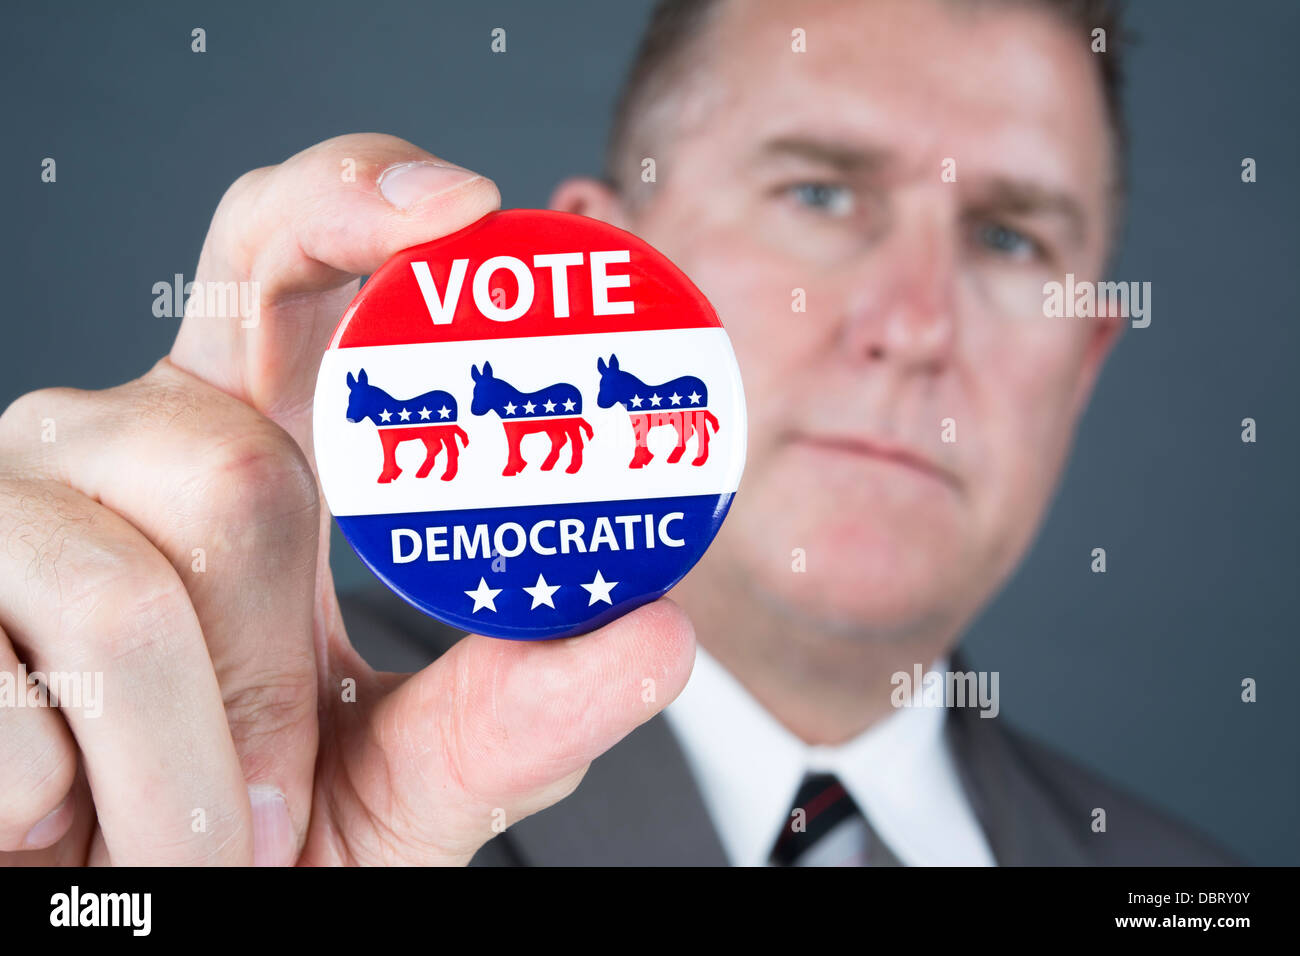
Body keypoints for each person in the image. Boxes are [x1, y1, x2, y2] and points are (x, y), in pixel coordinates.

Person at [0, 0, 1239, 866]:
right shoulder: (217, 752)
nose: (913, 324)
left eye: (1010, 238)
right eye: (818, 191)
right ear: (604, 265)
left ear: (1079, 366)